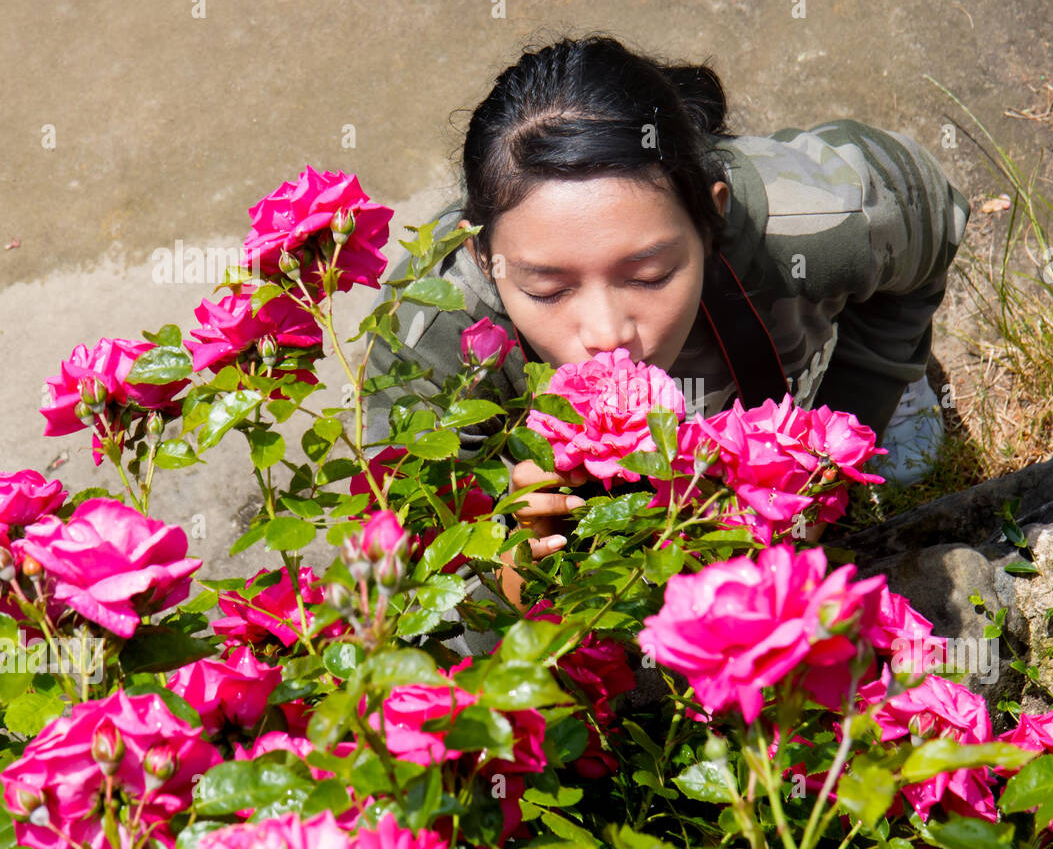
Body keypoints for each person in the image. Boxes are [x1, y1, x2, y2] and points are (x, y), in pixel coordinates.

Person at [363, 33, 970, 631]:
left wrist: (849, 415)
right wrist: (511, 572)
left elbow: (932, 220)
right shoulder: (434, 333)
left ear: (713, 218)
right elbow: (415, 566)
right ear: (484, 255)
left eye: (650, 274)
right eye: (547, 289)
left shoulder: (823, 220)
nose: (606, 335)